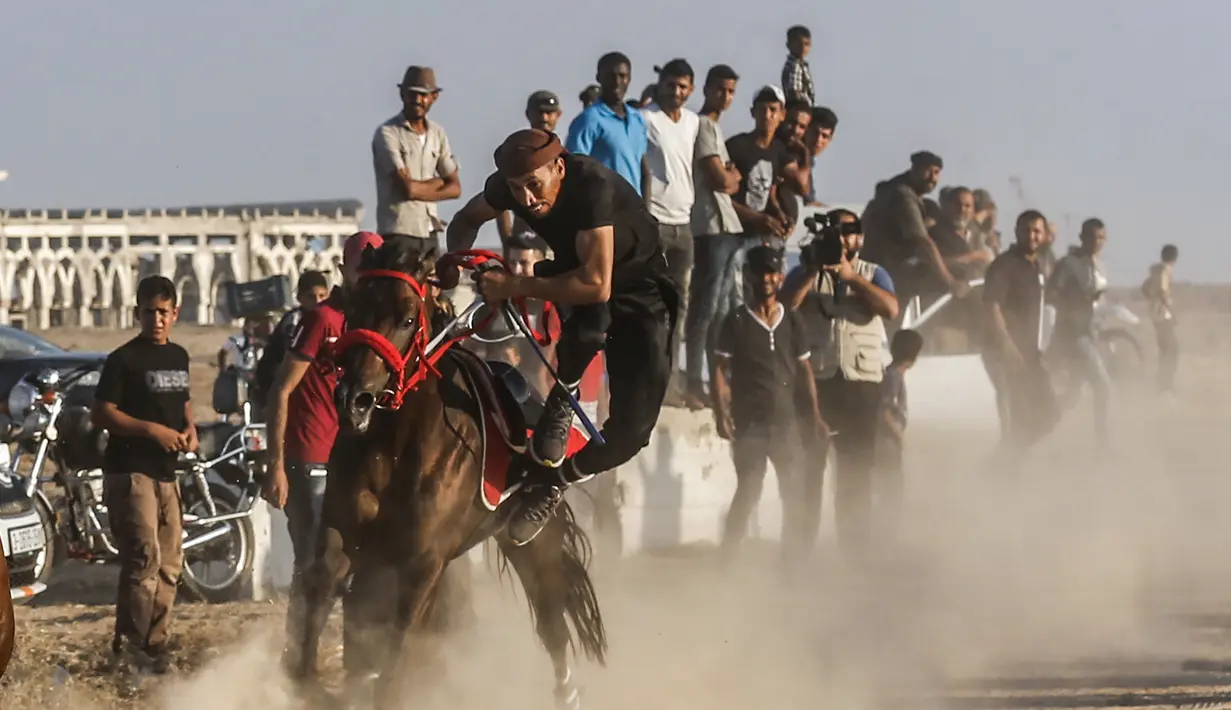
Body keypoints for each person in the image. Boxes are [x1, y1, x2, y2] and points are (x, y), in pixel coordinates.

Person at [443, 128, 677, 546]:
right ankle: (562, 395)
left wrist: (513, 286)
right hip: (575, 277)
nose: (528, 199)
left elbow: (597, 286)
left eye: (535, 185)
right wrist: (453, 265)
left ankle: (553, 481)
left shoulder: (593, 187)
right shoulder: (508, 189)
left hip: (641, 294)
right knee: (588, 326)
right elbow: (464, 220)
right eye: (518, 190)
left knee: (630, 435)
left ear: (559, 167)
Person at [263, 231, 384, 653]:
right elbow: (281, 389)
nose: (366, 278)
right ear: (344, 271)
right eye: (360, 269)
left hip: (346, 462)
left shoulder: (368, 323)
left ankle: (339, 657)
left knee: (352, 566)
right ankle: (299, 659)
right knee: (316, 566)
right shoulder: (322, 319)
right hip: (310, 459)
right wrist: (275, 465)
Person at [780, 209, 899, 562]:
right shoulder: (804, 273)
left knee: (856, 473)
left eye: (850, 231)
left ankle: (856, 554)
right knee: (808, 473)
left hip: (862, 384)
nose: (843, 238)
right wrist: (814, 271)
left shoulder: (873, 273)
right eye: (837, 230)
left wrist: (851, 278)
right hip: (818, 383)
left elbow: (891, 308)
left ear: (859, 237)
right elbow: (785, 309)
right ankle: (799, 553)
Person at [93, 275, 196, 674]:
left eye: (163, 312)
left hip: (168, 474)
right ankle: (131, 647)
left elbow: (183, 402)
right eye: (149, 312)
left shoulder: (180, 356)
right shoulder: (123, 359)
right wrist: (150, 430)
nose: (157, 319)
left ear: (175, 314)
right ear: (137, 313)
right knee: (143, 561)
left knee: (171, 564)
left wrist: (190, 429)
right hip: (131, 472)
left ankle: (156, 644)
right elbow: (102, 413)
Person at [711, 245, 820, 560]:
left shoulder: (793, 320)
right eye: (760, 272)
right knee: (748, 491)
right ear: (748, 276)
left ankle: (792, 562)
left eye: (772, 272)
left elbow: (804, 370)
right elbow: (720, 369)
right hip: (750, 423)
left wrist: (814, 415)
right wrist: (721, 413)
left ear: (781, 276)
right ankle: (728, 558)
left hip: (787, 422)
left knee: (792, 492)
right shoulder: (736, 320)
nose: (767, 279)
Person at [685, 64, 745, 410]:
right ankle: (695, 379)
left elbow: (731, 177)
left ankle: (711, 381)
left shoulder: (716, 128)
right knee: (704, 310)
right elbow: (723, 179)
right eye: (721, 89)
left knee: (720, 312)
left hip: (726, 226)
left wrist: (731, 175)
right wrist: (731, 175)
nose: (725, 97)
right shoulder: (703, 126)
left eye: (731, 91)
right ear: (707, 89)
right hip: (710, 226)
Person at [643, 59, 700, 404]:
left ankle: (672, 385)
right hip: (656, 221)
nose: (676, 92)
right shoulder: (647, 119)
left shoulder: (693, 122)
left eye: (682, 87)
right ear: (659, 85)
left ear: (690, 89)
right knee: (653, 308)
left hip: (684, 222)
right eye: (670, 85)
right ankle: (649, 381)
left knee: (679, 309)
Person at [983, 210, 1058, 466]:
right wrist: (1006, 344)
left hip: (1030, 353)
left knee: (1049, 413)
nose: (1032, 236)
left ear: (1045, 235)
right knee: (1021, 416)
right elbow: (992, 305)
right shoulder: (1005, 265)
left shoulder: (1034, 265)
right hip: (1009, 354)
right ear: (1016, 232)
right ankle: (1003, 473)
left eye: (1037, 231)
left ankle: (1001, 464)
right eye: (1026, 230)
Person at [372, 65, 461, 254]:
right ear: (402, 94)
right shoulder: (388, 133)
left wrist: (420, 187)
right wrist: (439, 182)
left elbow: (455, 188)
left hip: (429, 231)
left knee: (435, 282)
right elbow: (408, 189)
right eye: (413, 94)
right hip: (399, 232)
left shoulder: (437, 133)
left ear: (434, 97)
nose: (418, 100)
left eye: (424, 95)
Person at [861, 151, 967, 307]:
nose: (932, 177)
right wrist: (950, 280)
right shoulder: (903, 196)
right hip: (887, 270)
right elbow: (922, 242)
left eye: (936, 172)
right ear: (914, 169)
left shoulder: (901, 191)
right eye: (928, 171)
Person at [1047, 218, 1112, 449]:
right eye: (1093, 237)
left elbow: (1100, 302)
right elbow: (1051, 294)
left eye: (1101, 237)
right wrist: (1078, 300)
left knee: (1073, 394)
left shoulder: (1098, 265)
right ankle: (1103, 446)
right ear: (1082, 237)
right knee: (1103, 386)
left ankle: (1036, 424)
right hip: (1073, 334)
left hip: (1091, 331)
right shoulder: (1068, 264)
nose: (1097, 242)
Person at [565, 52, 649, 197]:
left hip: (633, 210)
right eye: (610, 76)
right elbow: (573, 168)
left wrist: (646, 212)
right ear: (599, 78)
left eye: (622, 76)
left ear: (629, 79)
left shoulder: (637, 119)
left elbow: (642, 169)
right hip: (603, 209)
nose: (617, 82)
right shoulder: (590, 119)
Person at [253, 270, 331, 407]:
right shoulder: (293, 322)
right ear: (300, 298)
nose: (317, 301)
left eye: (322, 296)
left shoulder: (332, 319)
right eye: (311, 297)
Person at [726, 85, 791, 244]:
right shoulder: (736, 146)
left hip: (759, 236)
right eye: (762, 109)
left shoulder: (778, 150)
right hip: (731, 233)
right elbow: (720, 196)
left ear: (782, 115)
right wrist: (756, 218)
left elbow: (771, 193)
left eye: (772, 110)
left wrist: (780, 215)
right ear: (753, 112)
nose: (767, 115)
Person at [498, 91, 565, 242]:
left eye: (549, 112)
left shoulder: (563, 155)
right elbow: (498, 197)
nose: (544, 118)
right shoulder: (517, 153)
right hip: (526, 235)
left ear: (558, 114)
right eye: (539, 112)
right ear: (529, 114)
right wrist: (507, 239)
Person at [877, 328, 923, 536]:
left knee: (891, 486)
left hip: (887, 443)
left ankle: (888, 530)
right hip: (887, 443)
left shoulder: (891, 373)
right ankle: (888, 532)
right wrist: (899, 435)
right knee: (892, 488)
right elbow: (885, 410)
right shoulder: (893, 376)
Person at [930, 185, 994, 280]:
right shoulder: (935, 235)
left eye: (967, 206)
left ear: (973, 210)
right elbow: (930, 263)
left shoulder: (975, 232)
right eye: (957, 205)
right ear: (947, 207)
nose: (962, 210)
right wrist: (972, 257)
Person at [1143, 244, 1179, 393]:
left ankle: (1163, 386)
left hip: (1156, 314)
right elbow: (1163, 292)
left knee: (1166, 350)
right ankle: (1165, 387)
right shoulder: (1164, 270)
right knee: (1171, 351)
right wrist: (1171, 309)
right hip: (1163, 314)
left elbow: (1144, 288)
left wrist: (1152, 301)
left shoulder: (1155, 270)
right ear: (1174, 258)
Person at [781, 25, 815, 105]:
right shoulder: (793, 65)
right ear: (789, 45)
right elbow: (793, 91)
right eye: (798, 44)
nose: (803, 48)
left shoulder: (803, 65)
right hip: (798, 105)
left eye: (806, 44)